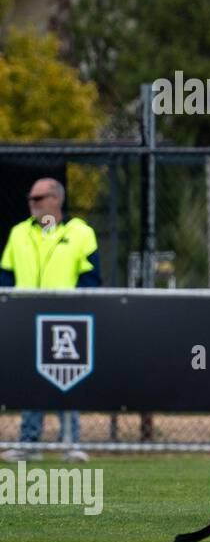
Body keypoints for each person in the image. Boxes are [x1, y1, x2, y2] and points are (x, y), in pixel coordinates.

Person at [1, 177, 100, 463]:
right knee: (31, 380)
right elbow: (5, 276)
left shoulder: (80, 232)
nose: (32, 204)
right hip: (25, 318)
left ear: (55, 199)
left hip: (66, 319)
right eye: (31, 199)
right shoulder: (19, 233)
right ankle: (28, 443)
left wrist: (80, 310)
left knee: (67, 378)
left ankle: (71, 443)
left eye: (38, 199)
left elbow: (91, 279)